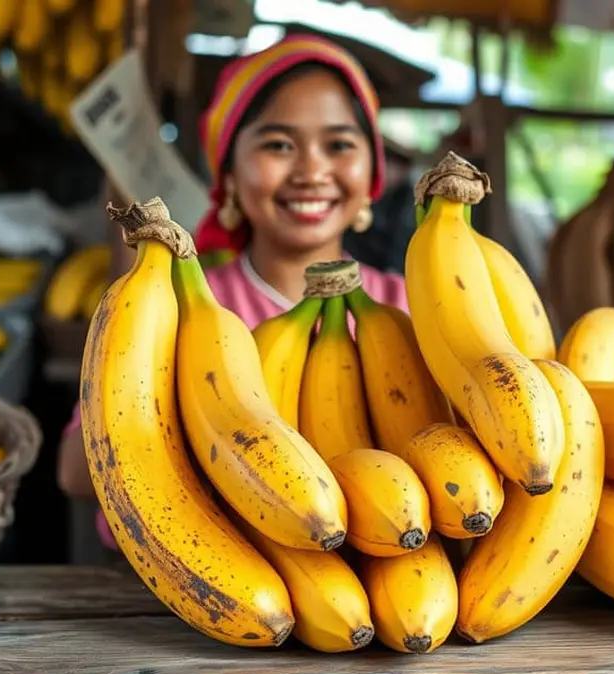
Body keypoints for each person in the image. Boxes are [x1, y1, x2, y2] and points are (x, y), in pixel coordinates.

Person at [56, 35, 409, 551]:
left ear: (372, 175)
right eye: (278, 145)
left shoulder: (408, 308)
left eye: (340, 144)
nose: (312, 171)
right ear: (230, 176)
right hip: (196, 582)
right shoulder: (170, 312)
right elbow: (76, 474)